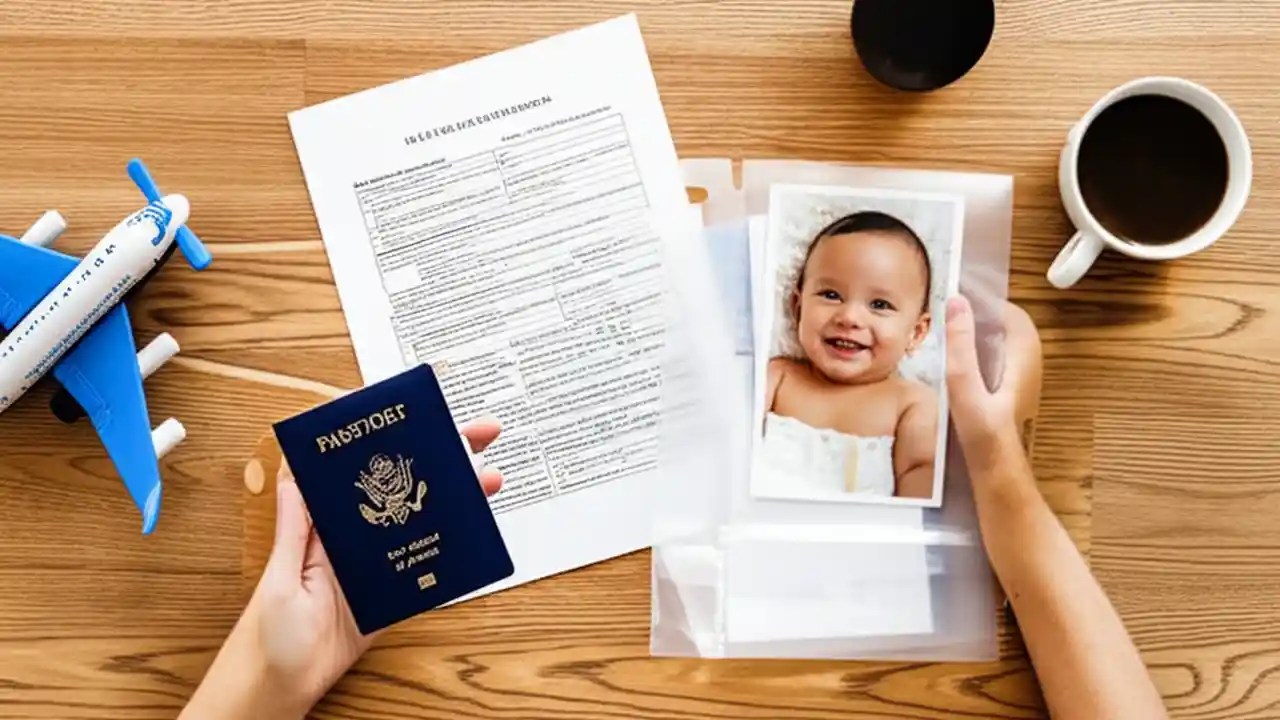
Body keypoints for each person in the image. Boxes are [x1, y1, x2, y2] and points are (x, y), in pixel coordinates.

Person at [179, 297, 1169, 720]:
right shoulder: (778, 375)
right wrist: (999, 473)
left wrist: (266, 683)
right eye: (825, 296)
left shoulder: (902, 406)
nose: (844, 321)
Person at [762, 211, 938, 499]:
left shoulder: (911, 403)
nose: (849, 317)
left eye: (879, 304)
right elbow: (728, 441)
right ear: (797, 308)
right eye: (831, 295)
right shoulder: (778, 378)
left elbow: (921, 473)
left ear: (916, 333)